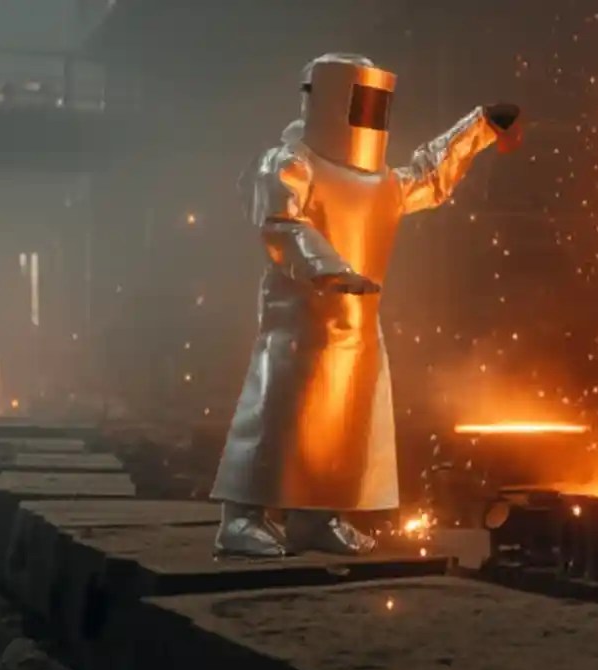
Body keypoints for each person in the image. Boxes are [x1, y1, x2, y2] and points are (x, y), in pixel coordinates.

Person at [212, 53, 523, 556]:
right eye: (363, 102)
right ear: (331, 98)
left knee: (344, 421)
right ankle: (242, 517)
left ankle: (318, 515)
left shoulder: (381, 183)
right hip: (299, 323)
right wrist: (331, 269)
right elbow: (282, 225)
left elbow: (430, 176)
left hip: (357, 328)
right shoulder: (291, 164)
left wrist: (480, 126)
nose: (370, 113)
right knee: (277, 414)